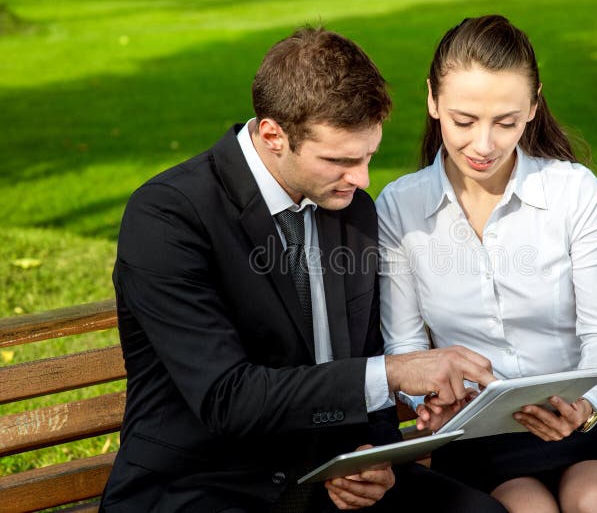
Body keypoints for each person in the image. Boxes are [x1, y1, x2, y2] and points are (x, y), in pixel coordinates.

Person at [100, 26, 506, 513]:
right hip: (204, 485)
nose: (362, 179)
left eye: (368, 156)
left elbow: (364, 355)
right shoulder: (169, 215)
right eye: (339, 160)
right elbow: (228, 398)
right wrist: (397, 372)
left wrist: (372, 454)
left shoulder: (351, 209)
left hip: (327, 477)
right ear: (273, 135)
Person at [376, 15, 597, 513]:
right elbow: (407, 348)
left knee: (591, 501)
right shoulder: (399, 207)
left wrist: (586, 406)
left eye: (506, 122)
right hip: (480, 437)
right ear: (433, 100)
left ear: (534, 106)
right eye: (464, 121)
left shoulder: (573, 191)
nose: (484, 146)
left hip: (584, 421)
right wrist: (426, 404)